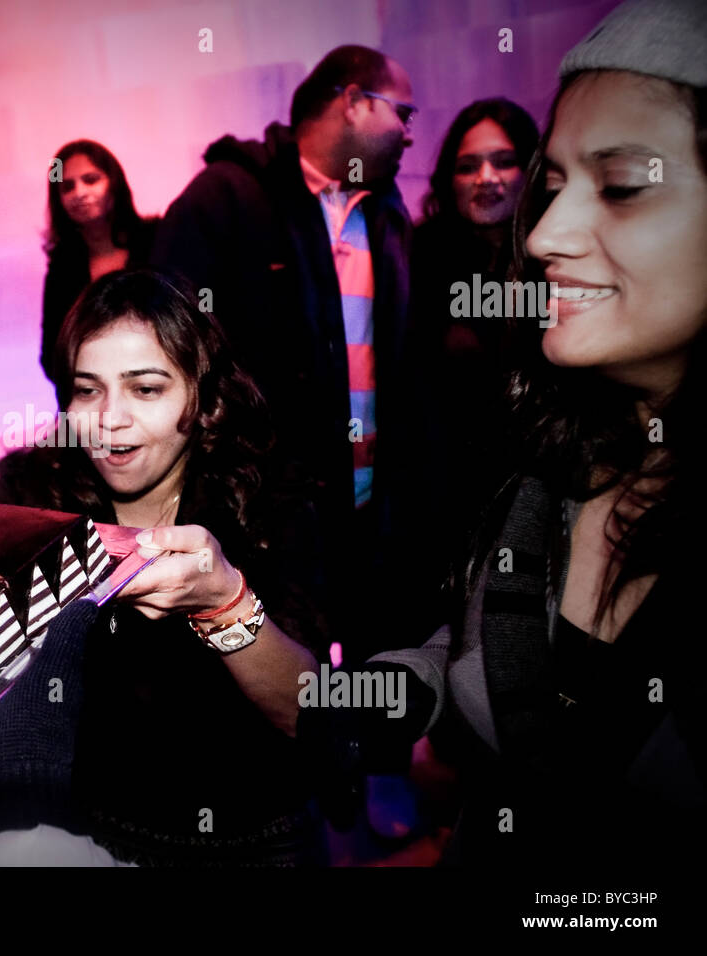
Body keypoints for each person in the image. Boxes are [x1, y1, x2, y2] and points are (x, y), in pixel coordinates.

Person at [300, 0, 707, 867]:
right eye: (553, 191)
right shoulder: (552, 476)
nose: (550, 232)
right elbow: (476, 657)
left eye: (624, 186)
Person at [0, 269, 329, 866]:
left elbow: (305, 710)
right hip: (90, 836)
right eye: (87, 389)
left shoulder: (266, 495)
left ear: (202, 395)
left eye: (146, 389)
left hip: (254, 839)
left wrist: (224, 601)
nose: (108, 419)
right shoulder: (33, 491)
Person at [152, 45, 431, 664]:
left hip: (370, 501)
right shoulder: (228, 195)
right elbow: (167, 338)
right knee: (279, 674)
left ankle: (371, 758)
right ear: (355, 102)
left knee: (376, 663)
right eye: (404, 113)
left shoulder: (386, 211)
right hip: (271, 513)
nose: (412, 135)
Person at [410, 99, 540, 569]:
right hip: (440, 495)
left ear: (532, 170)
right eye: (469, 167)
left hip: (539, 486)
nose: (487, 177)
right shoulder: (418, 258)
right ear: (450, 179)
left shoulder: (556, 256)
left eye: (504, 162)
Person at [40, 140, 157, 393]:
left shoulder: (156, 241)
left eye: (91, 179)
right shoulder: (62, 266)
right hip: (95, 407)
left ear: (114, 184)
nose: (79, 192)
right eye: (67, 186)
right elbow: (51, 354)